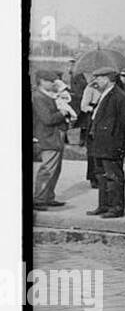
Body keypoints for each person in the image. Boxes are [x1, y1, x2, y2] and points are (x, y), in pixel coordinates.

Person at [85, 66, 125, 218]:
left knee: (113, 176)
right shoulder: (105, 94)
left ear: (107, 79)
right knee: (101, 175)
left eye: (99, 78)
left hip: (111, 144)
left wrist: (119, 143)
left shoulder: (119, 96)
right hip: (99, 142)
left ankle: (116, 208)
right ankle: (104, 205)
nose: (96, 81)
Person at [31, 70, 71, 210]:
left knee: (54, 169)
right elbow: (47, 119)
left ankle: (48, 197)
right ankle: (39, 199)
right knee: (47, 169)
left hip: (53, 136)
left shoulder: (45, 95)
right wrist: (61, 113)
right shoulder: (38, 97)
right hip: (47, 137)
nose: (53, 83)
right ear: (42, 81)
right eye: (50, 81)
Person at [80, 75, 103, 187]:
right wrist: (94, 109)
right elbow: (83, 106)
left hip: (104, 120)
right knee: (92, 150)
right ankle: (93, 177)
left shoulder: (107, 88)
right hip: (92, 120)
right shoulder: (90, 88)